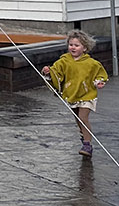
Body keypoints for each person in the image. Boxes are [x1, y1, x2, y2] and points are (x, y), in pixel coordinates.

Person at [42, 29, 109, 157]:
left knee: (83, 117)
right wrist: (48, 72)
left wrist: (99, 82)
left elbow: (99, 74)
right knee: (78, 119)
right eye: (71, 44)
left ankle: (87, 145)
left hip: (87, 95)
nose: (73, 47)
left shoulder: (91, 63)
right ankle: (84, 136)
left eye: (77, 45)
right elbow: (56, 74)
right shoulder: (63, 61)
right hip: (72, 94)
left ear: (85, 48)